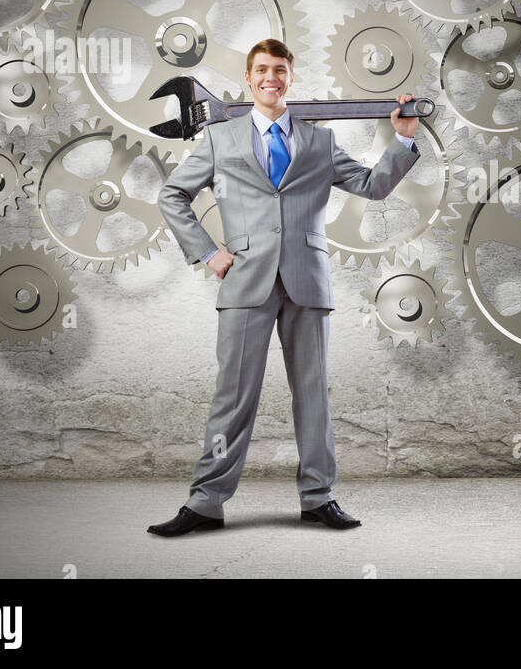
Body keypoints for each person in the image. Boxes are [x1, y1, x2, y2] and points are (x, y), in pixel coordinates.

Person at [147, 38, 420, 536]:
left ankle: (318, 498)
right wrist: (210, 253)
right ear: (248, 79)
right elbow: (172, 195)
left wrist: (401, 140)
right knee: (231, 398)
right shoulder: (219, 138)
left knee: (312, 394)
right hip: (245, 280)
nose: (270, 78)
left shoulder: (319, 142)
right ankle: (205, 503)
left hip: (306, 282)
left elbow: (372, 186)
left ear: (290, 77)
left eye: (279, 70)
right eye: (261, 70)